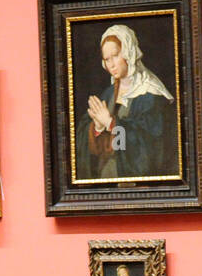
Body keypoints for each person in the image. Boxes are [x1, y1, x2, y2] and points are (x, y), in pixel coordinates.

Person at [76, 23, 177, 181]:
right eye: (107, 59)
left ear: (128, 53)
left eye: (115, 56)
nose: (111, 64)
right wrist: (96, 128)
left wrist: (111, 124)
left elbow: (149, 151)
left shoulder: (151, 95)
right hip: (107, 178)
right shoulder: (109, 94)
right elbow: (87, 145)